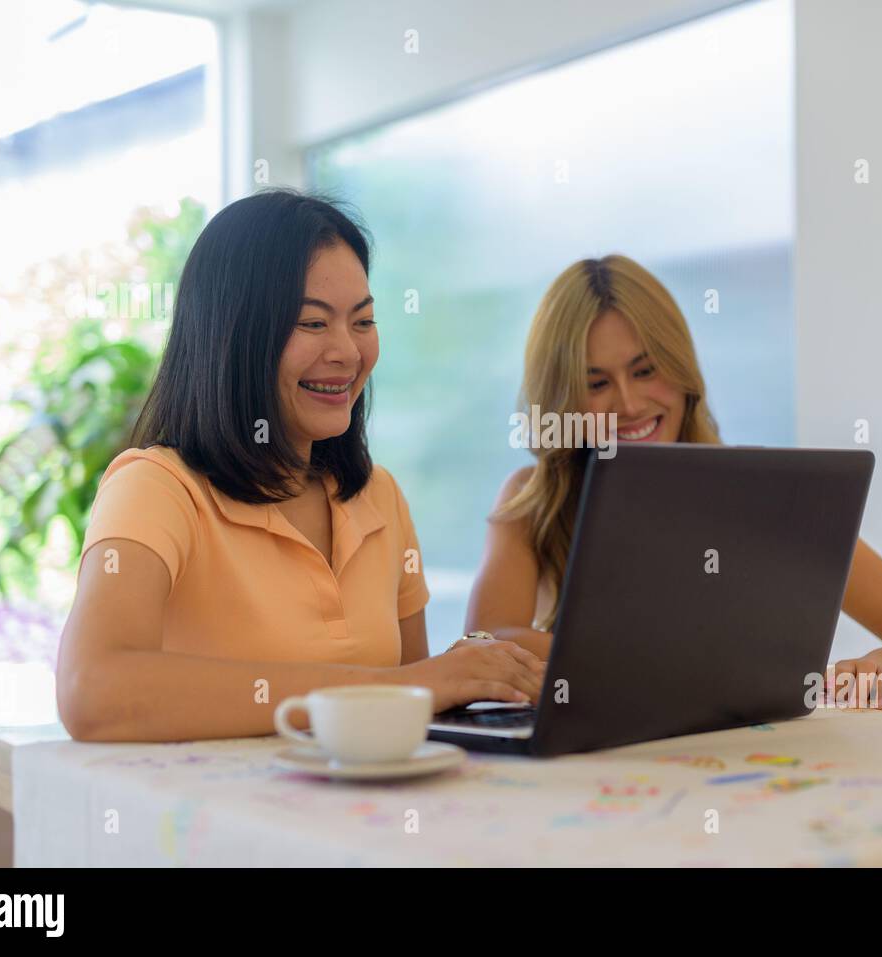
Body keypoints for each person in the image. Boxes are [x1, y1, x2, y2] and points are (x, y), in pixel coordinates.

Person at [56, 190, 543, 741]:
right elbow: (91, 691)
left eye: (362, 321)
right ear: (236, 333)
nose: (348, 352)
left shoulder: (379, 497)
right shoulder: (156, 487)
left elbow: (411, 713)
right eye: (313, 323)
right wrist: (400, 687)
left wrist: (466, 677)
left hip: (359, 817)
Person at [465, 254, 882, 703]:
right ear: (563, 397)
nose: (629, 403)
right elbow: (484, 638)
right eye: (597, 383)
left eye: (646, 371)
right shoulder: (535, 499)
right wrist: (661, 665)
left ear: (682, 371)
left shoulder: (758, 495)